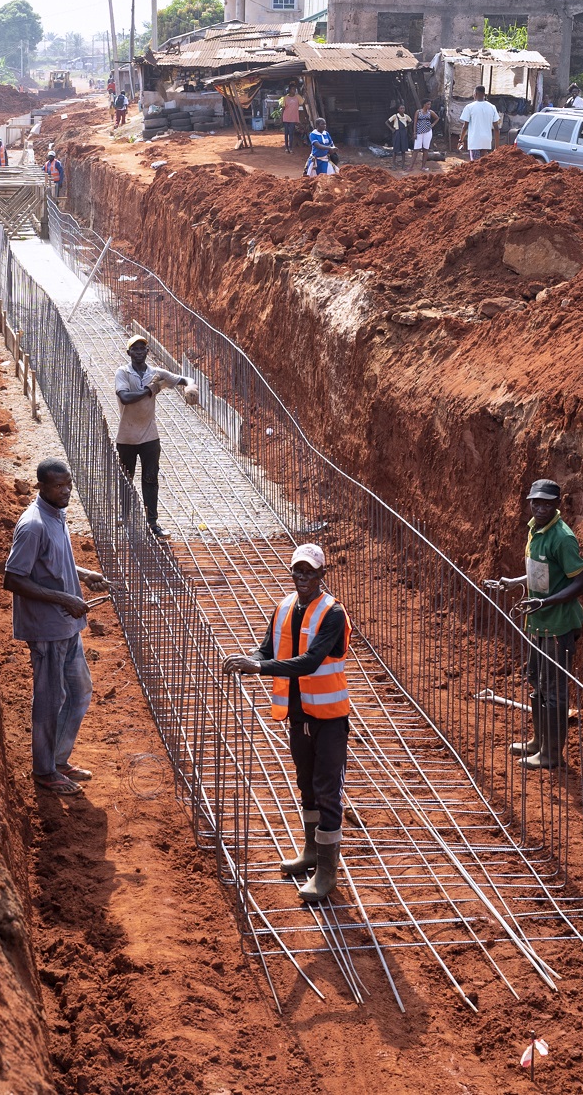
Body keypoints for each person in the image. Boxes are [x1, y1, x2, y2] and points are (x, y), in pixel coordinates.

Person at [221, 542, 351, 903]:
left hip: (328, 720)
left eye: (309, 571)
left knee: (327, 794)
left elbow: (309, 662)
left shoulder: (333, 613)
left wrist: (259, 667)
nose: (302, 577)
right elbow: (267, 650)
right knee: (306, 787)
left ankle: (327, 873)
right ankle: (311, 853)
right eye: (297, 570)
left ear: (322, 575)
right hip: (298, 717)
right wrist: (246, 659)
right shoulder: (283, 607)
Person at [3, 459, 110, 797]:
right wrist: (64, 599)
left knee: (78, 691)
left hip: (67, 625)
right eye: (58, 486)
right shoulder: (33, 524)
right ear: (41, 488)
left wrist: (83, 574)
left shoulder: (56, 513)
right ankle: (44, 770)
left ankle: (58, 759)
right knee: (50, 699)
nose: (66, 491)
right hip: (47, 629)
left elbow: (54, 558)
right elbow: (13, 578)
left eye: (68, 485)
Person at [483, 479, 583, 771]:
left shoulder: (563, 538)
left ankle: (552, 754)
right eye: (535, 502)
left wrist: (546, 602)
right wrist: (514, 582)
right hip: (538, 621)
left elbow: (581, 583)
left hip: (558, 625)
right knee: (536, 681)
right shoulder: (534, 530)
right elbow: (539, 573)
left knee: (554, 691)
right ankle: (538, 743)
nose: (539, 507)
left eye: (546, 502)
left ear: (557, 504)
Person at [114, 334, 190, 538]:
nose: (139, 352)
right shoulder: (123, 372)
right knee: (125, 478)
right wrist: (150, 390)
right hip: (127, 436)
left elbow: (182, 379)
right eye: (135, 349)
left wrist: (191, 386)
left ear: (148, 352)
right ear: (129, 352)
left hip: (149, 436)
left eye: (142, 349)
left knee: (150, 479)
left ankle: (152, 523)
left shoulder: (156, 373)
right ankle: (124, 516)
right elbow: (125, 397)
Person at [460, 85, 500, 162]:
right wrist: (496, 147)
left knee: (475, 164)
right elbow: (496, 129)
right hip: (486, 140)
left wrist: (461, 140)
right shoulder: (492, 107)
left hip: (475, 140)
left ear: (475, 94)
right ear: (484, 94)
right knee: (483, 164)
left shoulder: (469, 107)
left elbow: (465, 127)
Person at [386, 102, 411, 170]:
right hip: (397, 133)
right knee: (395, 150)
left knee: (403, 150)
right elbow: (387, 122)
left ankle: (403, 165)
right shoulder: (395, 116)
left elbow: (411, 121)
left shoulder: (406, 116)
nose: (402, 109)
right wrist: (392, 129)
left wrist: (406, 127)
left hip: (404, 133)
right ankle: (393, 165)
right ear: (398, 109)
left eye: (403, 108)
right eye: (401, 108)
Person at [412, 99, 436, 164]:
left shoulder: (430, 112)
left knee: (425, 149)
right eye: (428, 104)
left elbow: (437, 118)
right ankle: (411, 166)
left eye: (430, 104)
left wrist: (432, 124)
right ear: (424, 104)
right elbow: (415, 122)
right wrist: (414, 132)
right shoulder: (418, 112)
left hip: (428, 132)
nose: (429, 106)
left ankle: (423, 166)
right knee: (416, 149)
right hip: (419, 132)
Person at [281, 86, 303, 153]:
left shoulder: (297, 97)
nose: (294, 90)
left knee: (291, 133)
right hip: (286, 117)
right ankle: (286, 148)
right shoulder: (285, 98)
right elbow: (283, 108)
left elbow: (302, 102)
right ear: (289, 90)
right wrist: (281, 118)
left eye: (295, 89)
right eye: (293, 89)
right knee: (286, 133)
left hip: (293, 118)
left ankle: (290, 148)